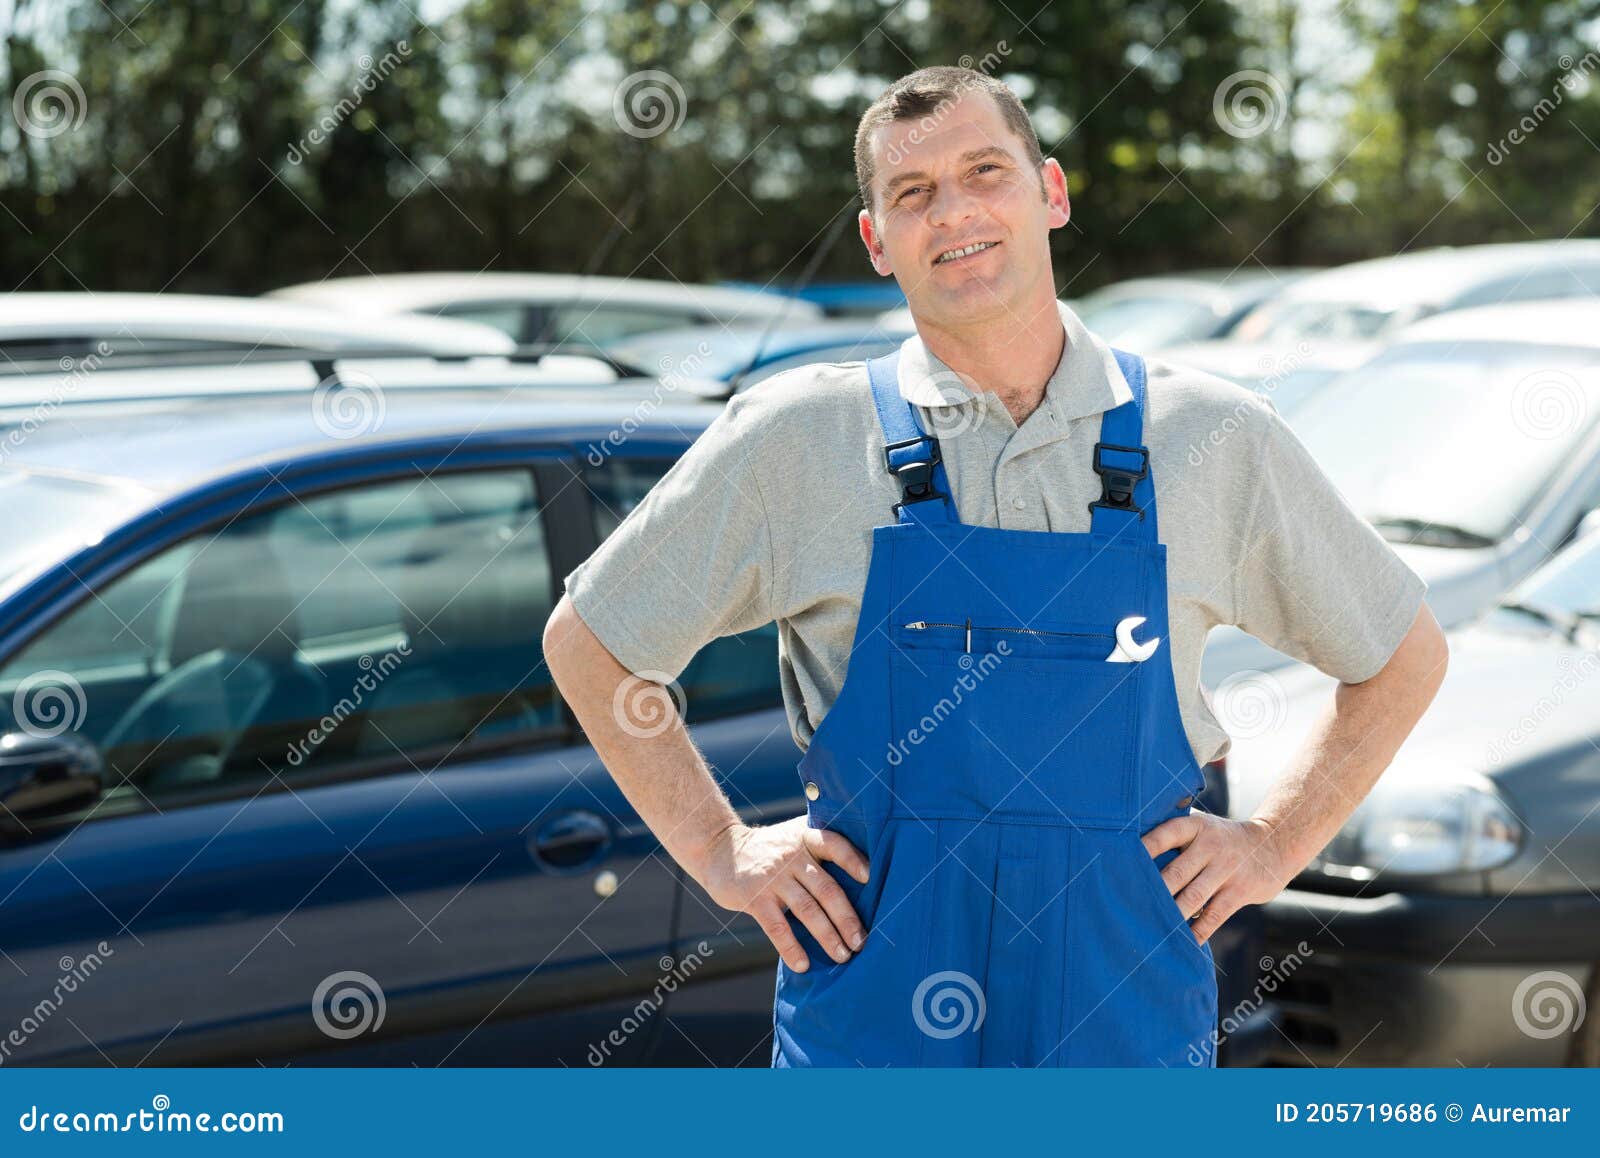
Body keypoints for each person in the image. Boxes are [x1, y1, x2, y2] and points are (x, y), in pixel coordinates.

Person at [544, 66, 1447, 1067]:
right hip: (874, 1034)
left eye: (985, 171)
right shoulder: (797, 437)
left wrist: (1274, 844)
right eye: (912, 193)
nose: (955, 211)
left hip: (1121, 1027)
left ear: (1050, 193)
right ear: (876, 242)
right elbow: (591, 644)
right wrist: (721, 853)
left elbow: (1400, 657)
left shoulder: (1211, 437)